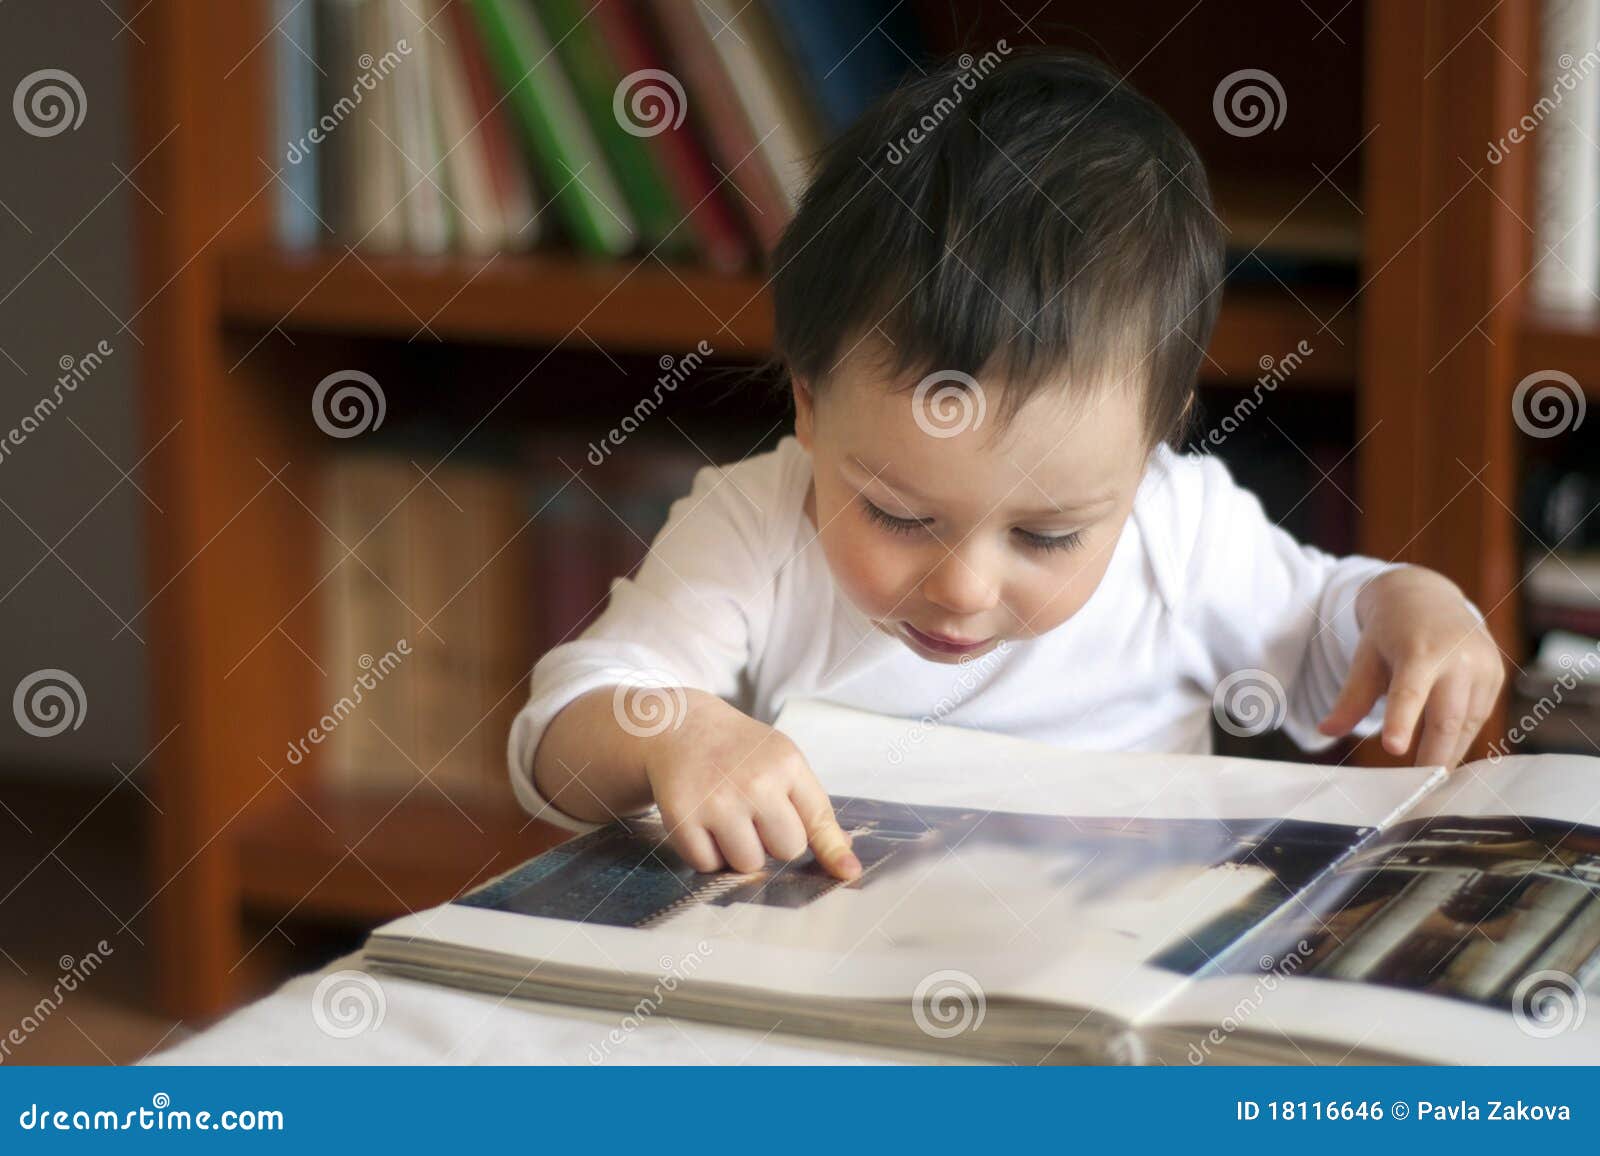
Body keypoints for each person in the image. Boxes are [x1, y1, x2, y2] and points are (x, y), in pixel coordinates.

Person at [510, 49, 1504, 883]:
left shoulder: (1179, 533)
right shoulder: (757, 525)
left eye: (1047, 534)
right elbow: (558, 730)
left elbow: (1337, 643)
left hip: (1108, 989)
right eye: (900, 515)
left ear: (1151, 446)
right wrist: (674, 733)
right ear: (808, 405)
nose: (964, 586)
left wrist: (1412, 609)